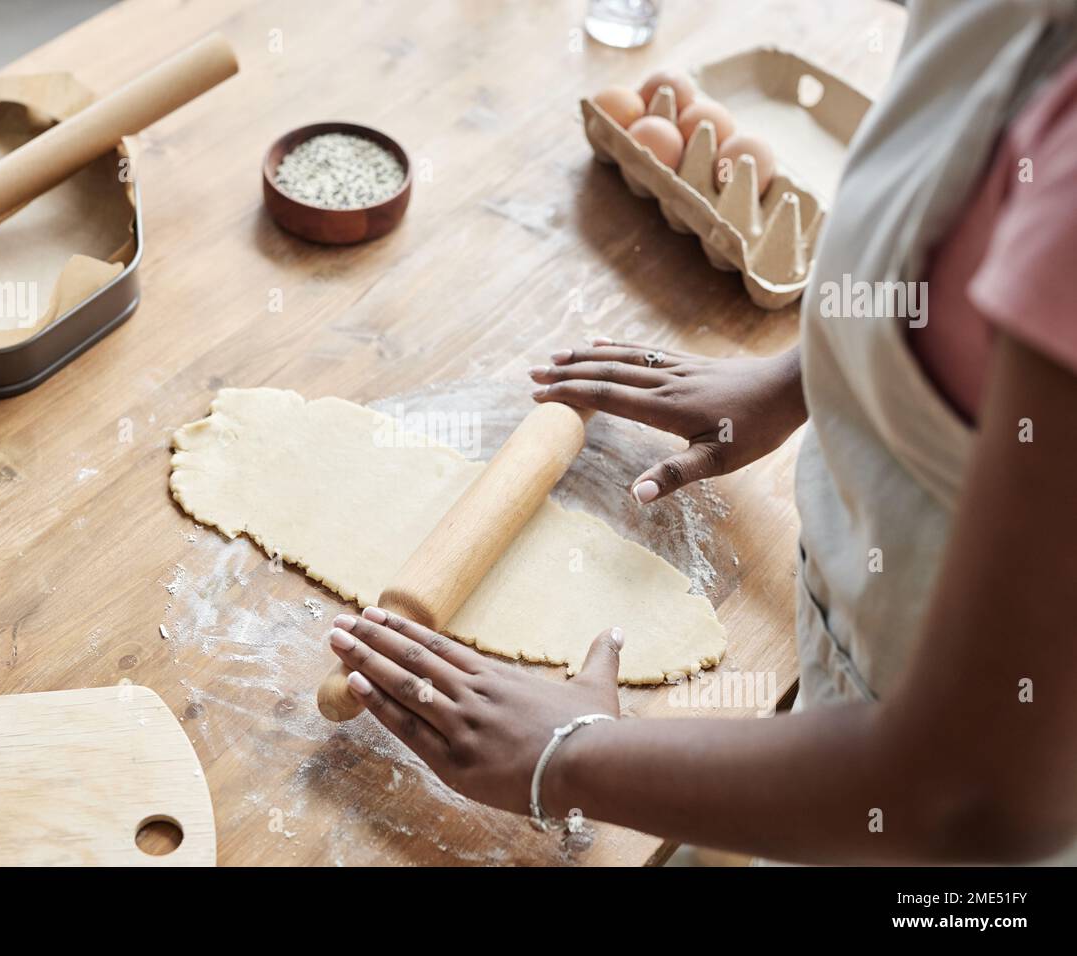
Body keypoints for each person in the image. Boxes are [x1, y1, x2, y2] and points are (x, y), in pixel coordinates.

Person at [323, 0, 1077, 864]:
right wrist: (810, 372)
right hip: (849, 709)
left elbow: (979, 799)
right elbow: (966, 247)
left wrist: (569, 756)